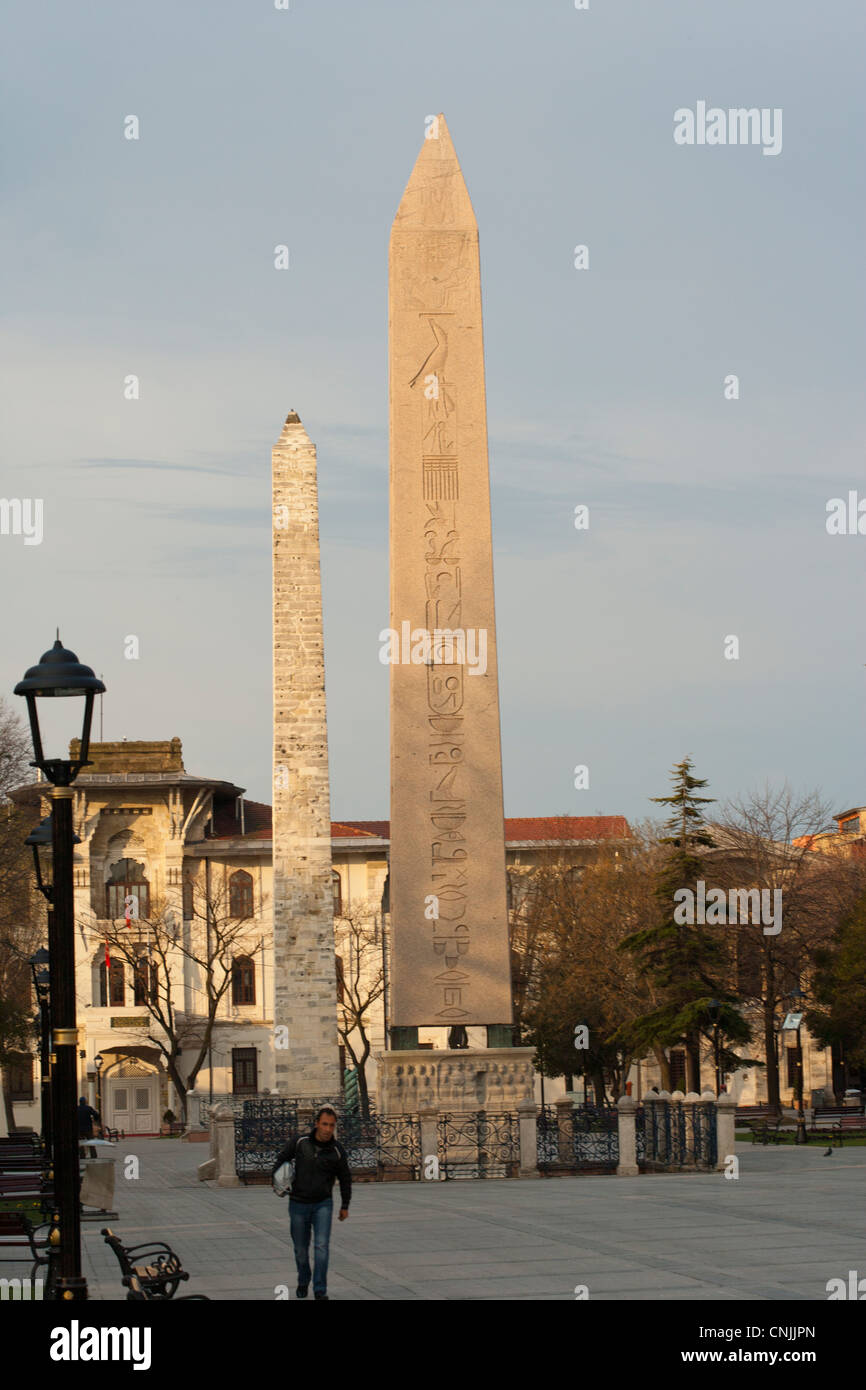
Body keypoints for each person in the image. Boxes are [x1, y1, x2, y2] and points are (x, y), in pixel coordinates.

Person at [271, 1106, 351, 1301]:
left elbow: (345, 1178)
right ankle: (303, 1279)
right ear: (316, 1124)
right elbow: (280, 1161)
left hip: (323, 1204)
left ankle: (320, 1290)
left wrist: (345, 1205)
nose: (327, 1129)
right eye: (324, 1124)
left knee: (322, 1247)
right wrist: (278, 1181)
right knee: (300, 1249)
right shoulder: (299, 1143)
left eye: (331, 1125)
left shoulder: (337, 1150)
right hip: (298, 1204)